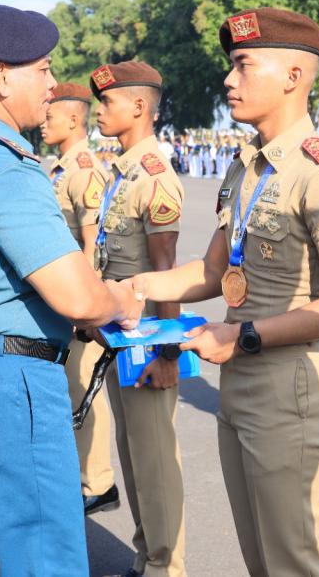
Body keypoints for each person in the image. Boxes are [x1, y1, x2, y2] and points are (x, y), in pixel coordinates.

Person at [131, 8, 319, 577]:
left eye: (243, 65)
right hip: (242, 371)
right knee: (259, 559)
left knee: (292, 561)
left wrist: (240, 336)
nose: (228, 79)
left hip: (287, 381)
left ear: (293, 76)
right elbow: (215, 271)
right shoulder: (248, 167)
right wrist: (134, 287)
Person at [0, 5, 144, 576]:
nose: (52, 85)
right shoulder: (7, 169)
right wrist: (120, 299)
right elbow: (78, 298)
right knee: (46, 557)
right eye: (43, 70)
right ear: (1, 75)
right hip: (11, 384)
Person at [90, 60, 186, 577]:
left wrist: (169, 352)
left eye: (107, 102)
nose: (99, 111)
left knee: (154, 462)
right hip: (122, 338)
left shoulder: (153, 176)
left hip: (148, 339)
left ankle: (166, 566)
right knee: (132, 456)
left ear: (139, 107)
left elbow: (165, 269)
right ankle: (147, 555)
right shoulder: (121, 171)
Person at [40, 82, 120, 515]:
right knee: (73, 390)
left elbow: (93, 243)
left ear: (73, 119)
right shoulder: (61, 167)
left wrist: (83, 303)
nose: (43, 123)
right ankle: (86, 475)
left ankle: (97, 481)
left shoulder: (85, 170)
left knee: (84, 390)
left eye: (50, 117)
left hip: (79, 302)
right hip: (65, 299)